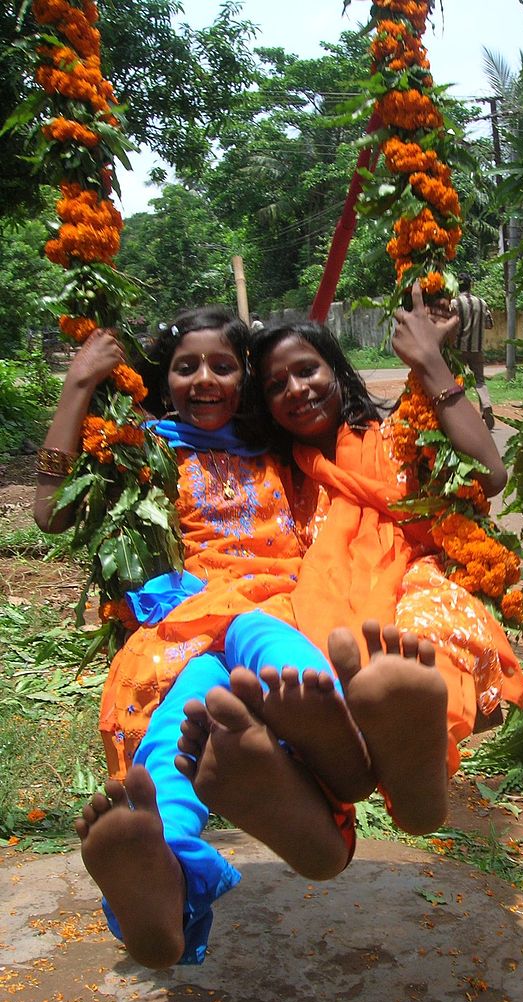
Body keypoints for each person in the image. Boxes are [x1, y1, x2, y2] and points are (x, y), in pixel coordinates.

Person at [33, 309, 368, 968]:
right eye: (187, 366)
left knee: (257, 654)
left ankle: (325, 720)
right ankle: (164, 859)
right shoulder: (147, 450)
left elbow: (359, 445)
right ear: (167, 379)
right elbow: (52, 512)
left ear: (246, 379)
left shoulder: (275, 447)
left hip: (275, 607)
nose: (205, 378)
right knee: (186, 715)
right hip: (192, 619)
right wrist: (78, 386)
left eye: (223, 365)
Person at [246, 282, 523, 790]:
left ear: (336, 370)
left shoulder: (397, 432)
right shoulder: (281, 472)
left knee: (423, 629)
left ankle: (413, 754)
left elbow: (489, 473)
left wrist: (431, 362)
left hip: (418, 578)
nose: (295, 389)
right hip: (318, 600)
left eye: (307, 370)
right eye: (275, 385)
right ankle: (347, 750)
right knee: (268, 644)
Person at [451, 273, 495, 430]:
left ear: (458, 286)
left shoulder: (454, 303)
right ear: (471, 285)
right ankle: (486, 404)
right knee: (480, 381)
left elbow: (450, 325)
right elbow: (490, 324)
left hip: (458, 350)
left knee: (458, 380)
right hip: (477, 349)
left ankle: (460, 414)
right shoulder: (482, 303)